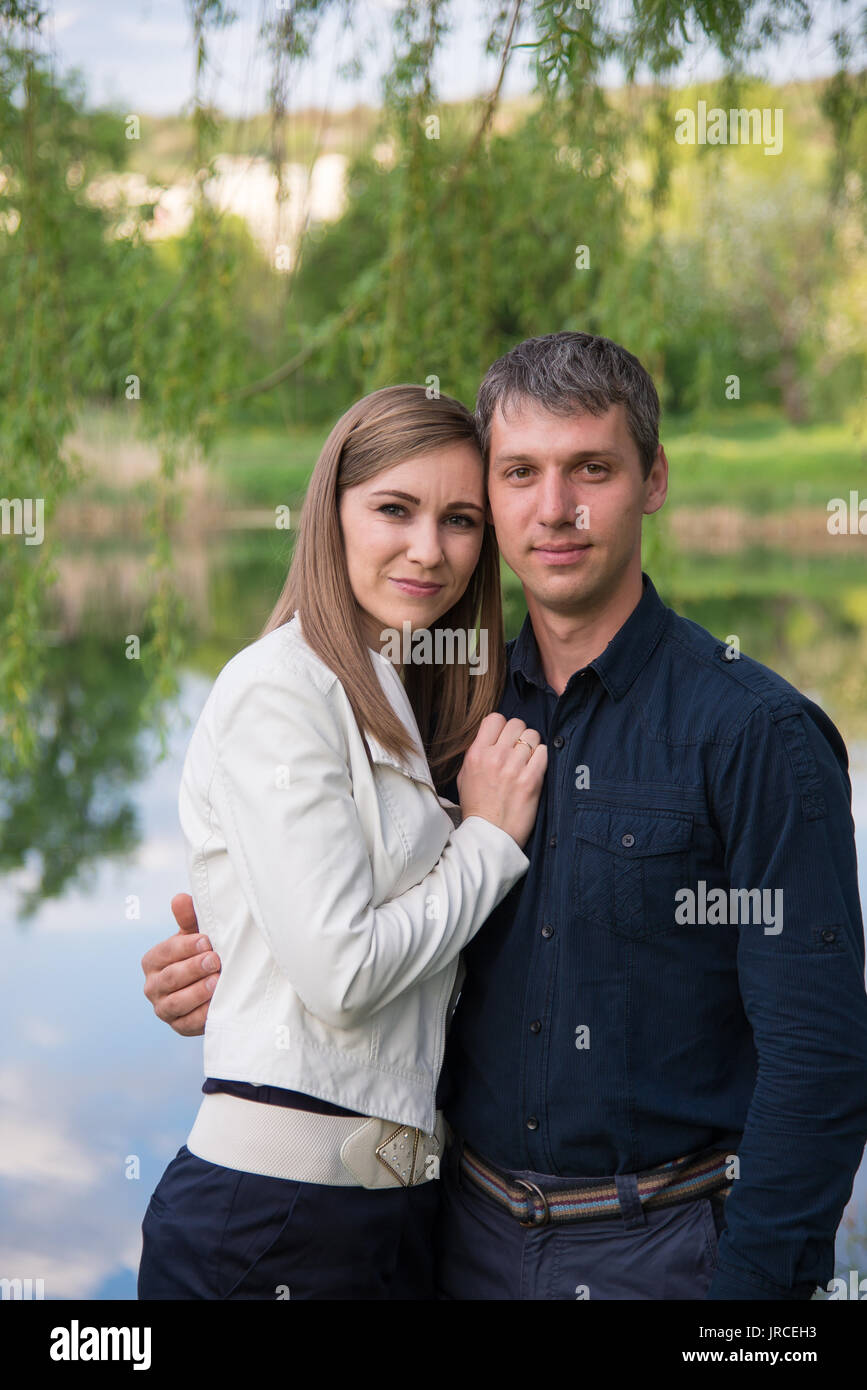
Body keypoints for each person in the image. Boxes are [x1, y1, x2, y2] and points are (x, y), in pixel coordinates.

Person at [143, 333, 867, 1301]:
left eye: (592, 470)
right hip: (445, 1240)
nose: (554, 508)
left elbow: (819, 1060)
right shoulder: (447, 714)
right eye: (520, 473)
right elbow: (362, 941)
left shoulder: (756, 734)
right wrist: (238, 965)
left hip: (664, 1255)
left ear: (653, 479)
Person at [137, 383, 546, 1300]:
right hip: (271, 1225)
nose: (428, 550)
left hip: (390, 1221)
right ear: (331, 513)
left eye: (461, 520)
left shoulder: (408, 697)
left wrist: (230, 967)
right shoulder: (282, 690)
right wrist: (484, 840)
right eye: (393, 509)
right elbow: (343, 973)